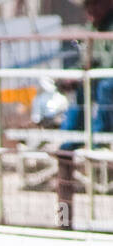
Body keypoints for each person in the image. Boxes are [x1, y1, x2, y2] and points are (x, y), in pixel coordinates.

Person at [60, 0, 113, 148]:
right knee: (82, 87)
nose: (90, 9)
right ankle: (70, 138)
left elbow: (107, 61)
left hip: (107, 79)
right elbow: (85, 59)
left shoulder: (108, 26)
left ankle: (99, 137)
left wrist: (90, 65)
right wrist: (72, 74)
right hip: (98, 78)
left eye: (95, 4)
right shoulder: (93, 27)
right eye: (87, 5)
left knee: (106, 86)